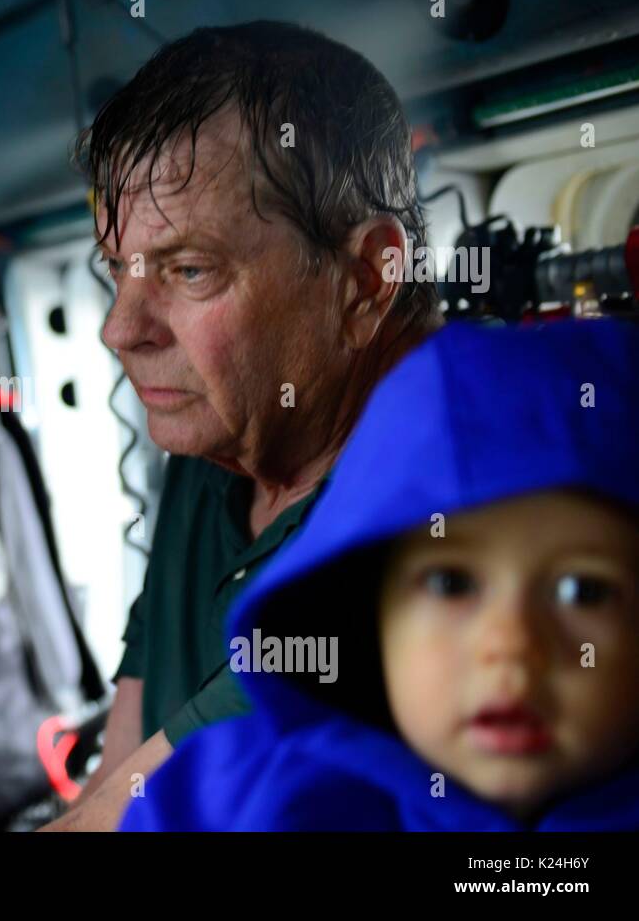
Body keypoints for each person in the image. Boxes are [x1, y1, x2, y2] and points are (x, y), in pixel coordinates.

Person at [45, 21, 444, 830]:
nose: (119, 330)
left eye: (189, 269)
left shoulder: (427, 515)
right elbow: (120, 778)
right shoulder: (217, 443)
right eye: (116, 269)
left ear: (366, 279)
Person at [122, 320, 639, 830]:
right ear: (369, 620)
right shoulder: (241, 801)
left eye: (584, 591)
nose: (510, 644)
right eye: (450, 584)